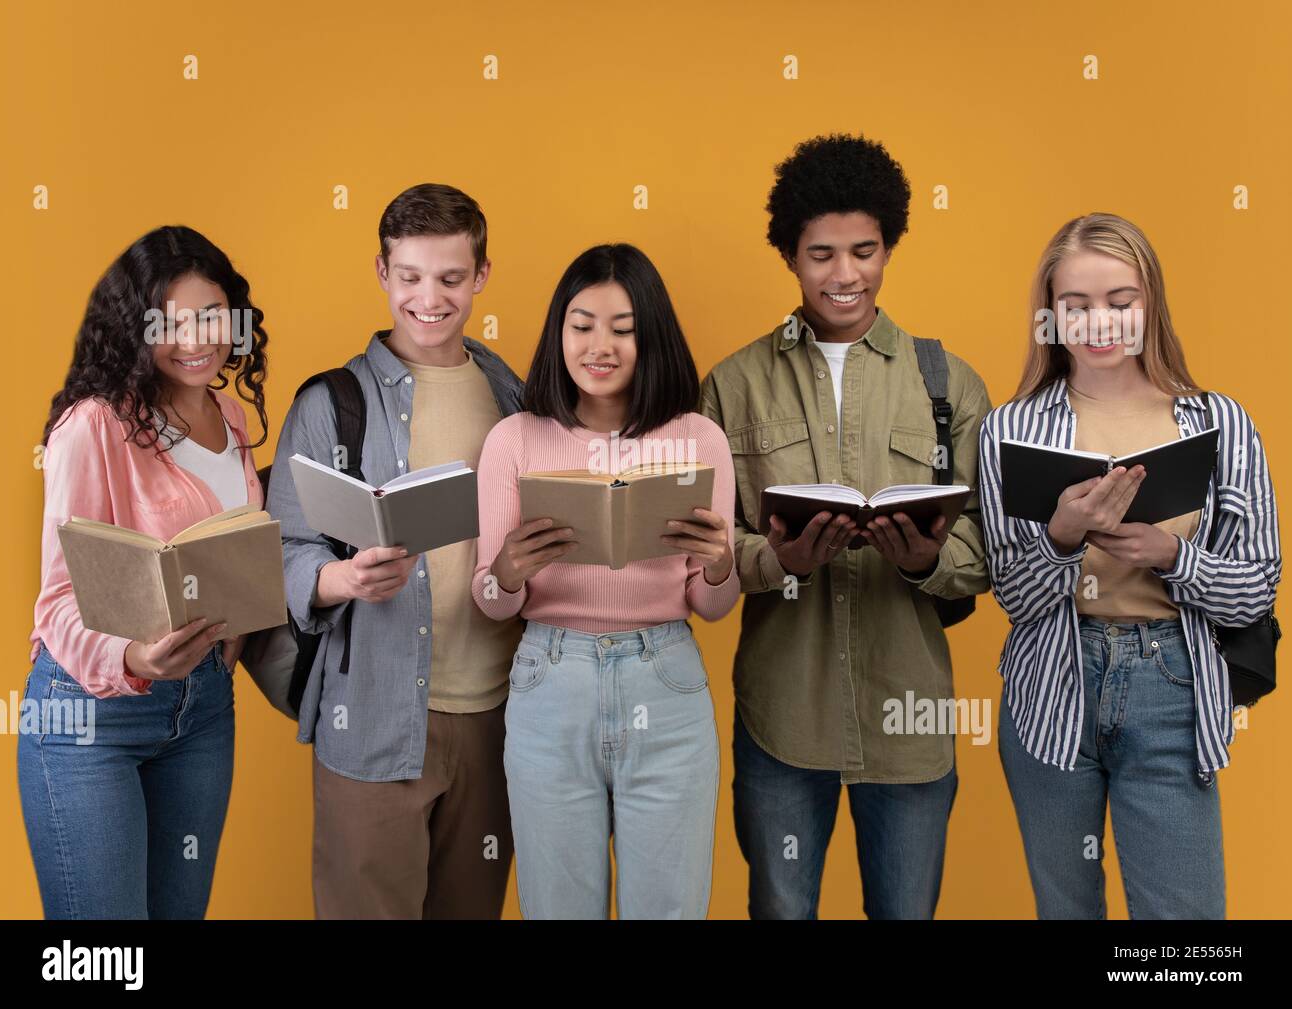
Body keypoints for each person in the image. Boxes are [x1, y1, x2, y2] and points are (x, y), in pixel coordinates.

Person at [700, 133, 991, 919]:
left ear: (889, 245)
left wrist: (929, 559)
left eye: (864, 250)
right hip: (782, 719)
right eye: (821, 254)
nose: (845, 275)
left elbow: (987, 548)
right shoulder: (732, 384)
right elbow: (703, 547)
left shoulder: (950, 384)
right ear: (789, 256)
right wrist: (775, 558)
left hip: (910, 717)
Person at [978, 212, 1281, 919]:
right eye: (1075, 305)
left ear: (1151, 305)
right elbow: (1016, 599)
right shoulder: (1011, 428)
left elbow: (1255, 590)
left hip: (1171, 681)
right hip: (1053, 683)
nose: (1099, 322)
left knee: (1183, 931)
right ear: (1050, 315)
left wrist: (1171, 556)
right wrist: (1061, 537)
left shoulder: (1218, 422)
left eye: (1121, 301)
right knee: (1067, 909)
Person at [265, 183, 526, 919]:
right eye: (409, 277)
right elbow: (287, 547)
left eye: (450, 278)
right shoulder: (330, 402)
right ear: (382, 273)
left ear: (481, 276)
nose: (429, 299)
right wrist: (338, 577)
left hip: (499, 716)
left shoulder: (513, 392)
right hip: (372, 720)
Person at [472, 243, 739, 919]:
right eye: (582, 324)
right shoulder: (515, 439)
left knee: (669, 909)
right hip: (550, 679)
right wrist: (505, 571)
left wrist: (719, 563)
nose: (600, 345)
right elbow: (490, 601)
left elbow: (713, 604)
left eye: (623, 329)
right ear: (558, 330)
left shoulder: (698, 437)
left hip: (667, 675)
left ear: (650, 338)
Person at [20, 225, 270, 918]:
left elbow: (230, 552)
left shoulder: (229, 415)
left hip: (202, 712)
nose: (198, 340)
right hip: (91, 717)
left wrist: (239, 626)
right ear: (137, 327)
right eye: (174, 322)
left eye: (214, 317)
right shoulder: (93, 426)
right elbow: (58, 603)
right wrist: (133, 656)